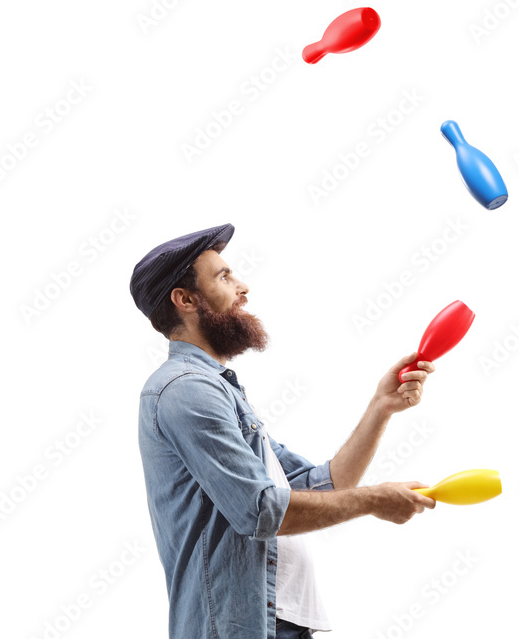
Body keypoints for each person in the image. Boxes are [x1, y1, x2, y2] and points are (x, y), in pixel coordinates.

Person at [131, 223, 437, 639]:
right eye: (224, 276)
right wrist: (374, 501)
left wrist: (381, 408)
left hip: (279, 623)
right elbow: (260, 511)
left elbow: (324, 486)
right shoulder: (185, 390)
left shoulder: (219, 390)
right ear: (185, 300)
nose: (243, 287)